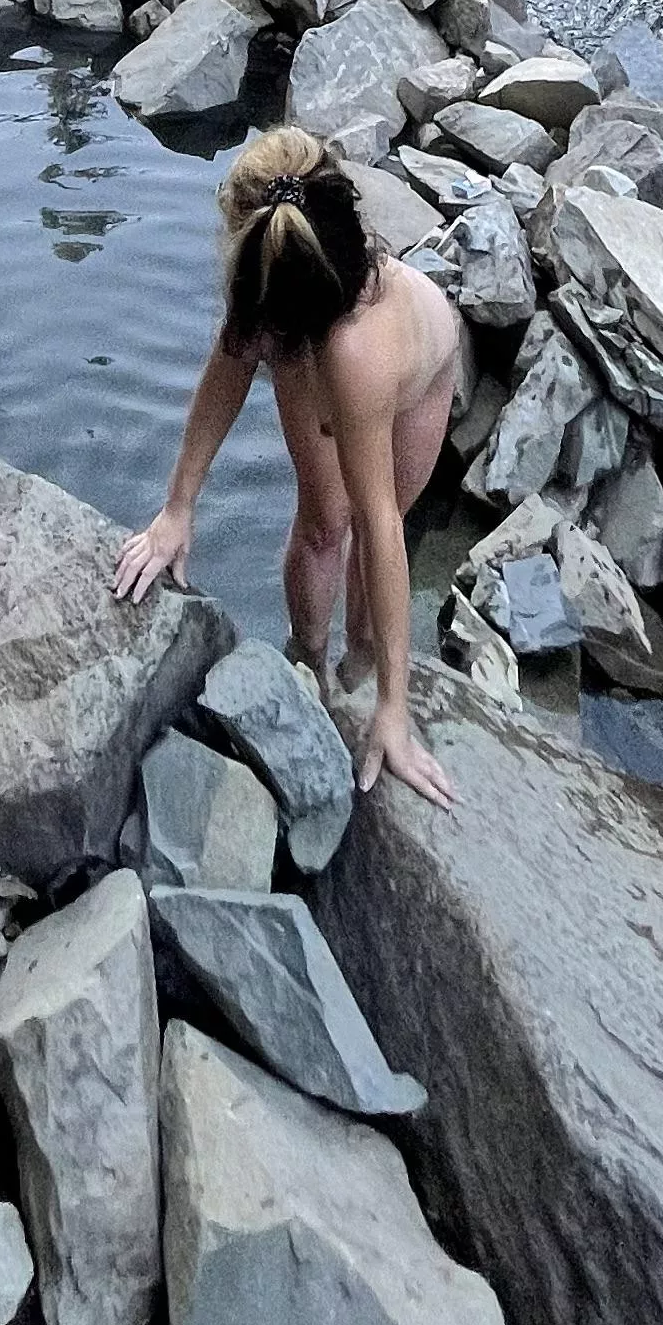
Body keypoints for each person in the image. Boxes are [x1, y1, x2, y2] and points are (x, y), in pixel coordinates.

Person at [112, 123, 462, 810]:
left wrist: (395, 709)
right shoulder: (271, 283)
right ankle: (309, 656)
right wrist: (177, 509)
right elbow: (228, 370)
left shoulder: (359, 353)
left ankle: (362, 664)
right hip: (317, 332)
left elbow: (382, 525)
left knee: (370, 535)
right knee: (323, 524)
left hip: (412, 382)